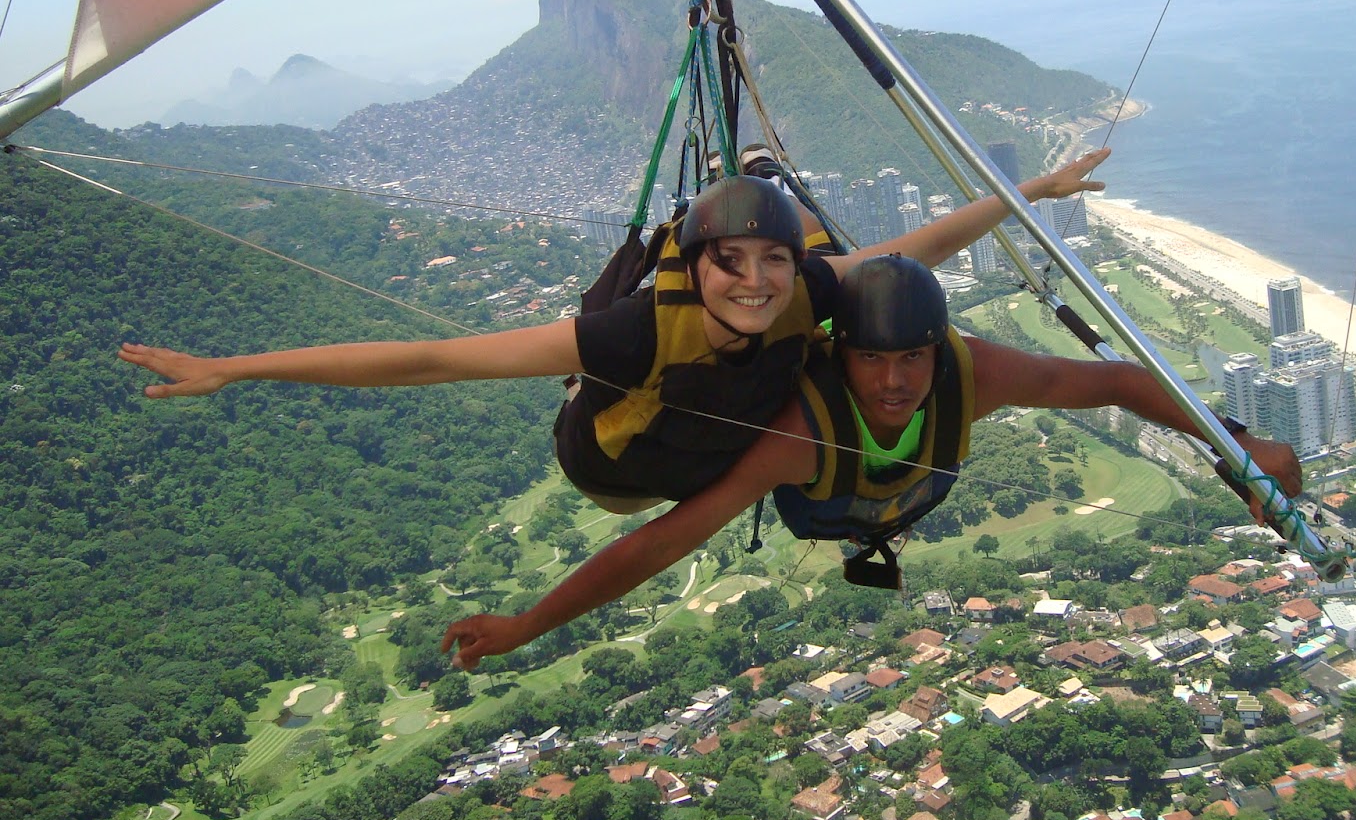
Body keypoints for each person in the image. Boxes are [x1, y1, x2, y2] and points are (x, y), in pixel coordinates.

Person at [120, 150, 1110, 518]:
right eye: (731, 261)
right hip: (616, 469)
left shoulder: (802, 288)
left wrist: (1033, 189)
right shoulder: (632, 332)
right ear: (697, 264)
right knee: (635, 454)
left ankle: (765, 191)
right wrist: (235, 368)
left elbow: (915, 251)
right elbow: (431, 360)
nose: (756, 280)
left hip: (720, 435)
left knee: (849, 320)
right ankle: (601, 410)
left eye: (773, 259)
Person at [439, 255, 1302, 667]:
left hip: (884, 502)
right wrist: (527, 625)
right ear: (838, 350)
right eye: (872, 360)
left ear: (935, 349)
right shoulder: (799, 431)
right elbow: (663, 541)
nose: (894, 383)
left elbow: (1115, 382)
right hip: (821, 501)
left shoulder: (971, 373)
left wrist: (1237, 447)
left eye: (912, 359)